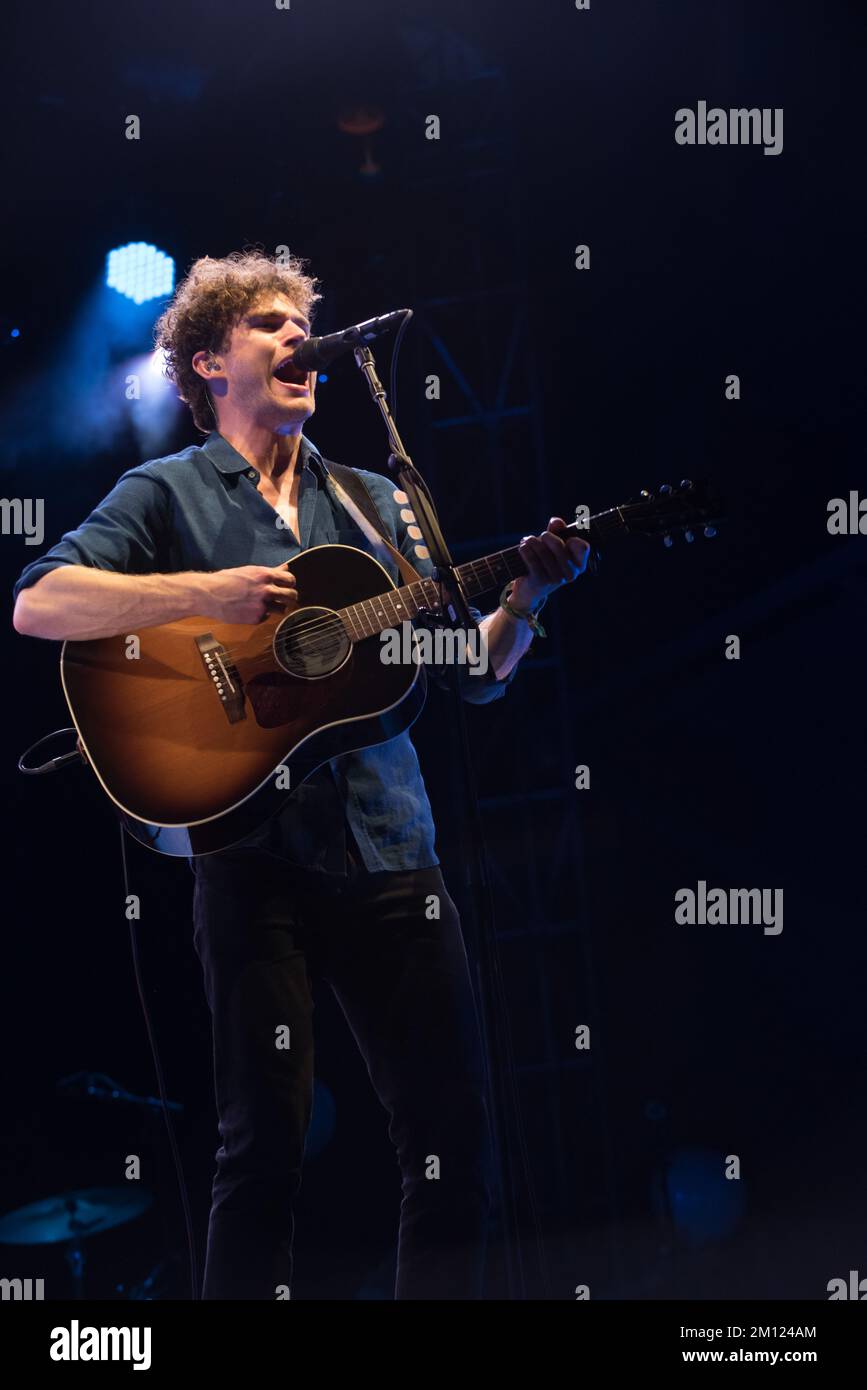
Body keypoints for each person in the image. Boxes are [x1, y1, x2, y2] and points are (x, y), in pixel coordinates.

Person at [12, 250, 590, 1299]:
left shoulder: (377, 501)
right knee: (263, 1152)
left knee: (454, 1144)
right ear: (205, 366)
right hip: (248, 855)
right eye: (268, 325)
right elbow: (38, 603)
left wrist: (529, 602)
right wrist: (204, 592)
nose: (297, 340)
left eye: (301, 324)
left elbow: (471, 671)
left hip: (390, 849)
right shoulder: (166, 491)